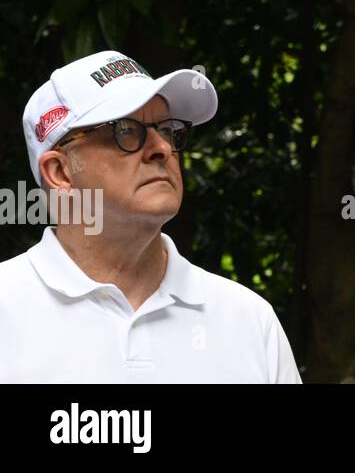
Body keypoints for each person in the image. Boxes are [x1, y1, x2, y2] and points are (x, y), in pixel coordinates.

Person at [1, 50, 301, 383]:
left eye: (168, 129)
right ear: (60, 171)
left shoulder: (248, 321)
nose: (162, 147)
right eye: (126, 130)